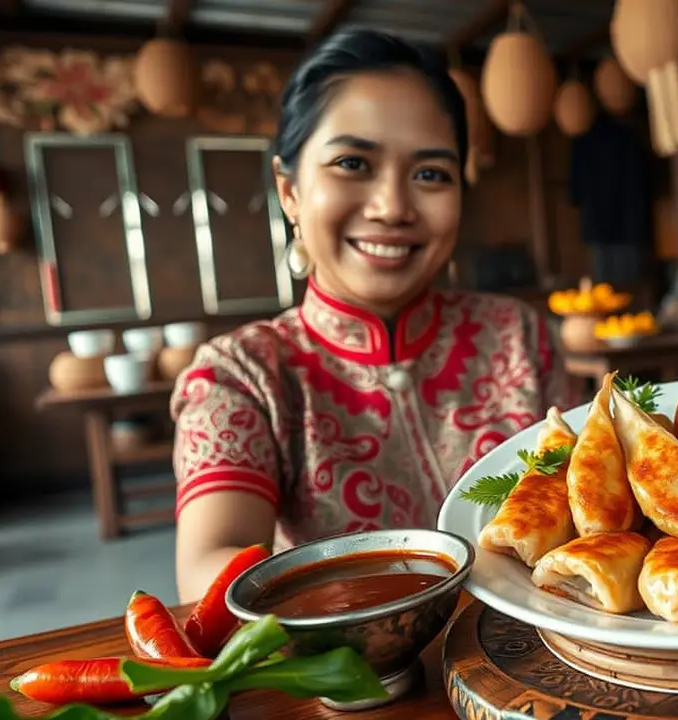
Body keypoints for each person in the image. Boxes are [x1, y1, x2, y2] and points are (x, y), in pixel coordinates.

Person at [170, 29, 573, 603]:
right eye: (352, 163)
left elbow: (587, 501)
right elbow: (212, 571)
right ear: (289, 191)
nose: (391, 207)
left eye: (430, 173)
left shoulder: (517, 336)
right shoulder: (244, 375)